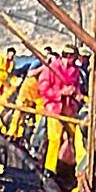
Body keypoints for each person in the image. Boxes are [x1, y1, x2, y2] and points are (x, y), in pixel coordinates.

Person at [36, 45, 83, 175]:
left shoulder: (75, 70)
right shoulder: (51, 68)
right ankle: (49, 168)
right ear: (68, 56)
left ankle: (78, 167)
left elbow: (76, 87)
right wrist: (61, 93)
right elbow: (43, 89)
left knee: (76, 135)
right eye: (74, 58)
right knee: (54, 138)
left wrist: (77, 94)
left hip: (69, 108)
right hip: (54, 107)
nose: (75, 61)